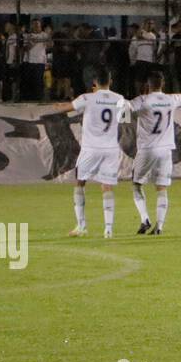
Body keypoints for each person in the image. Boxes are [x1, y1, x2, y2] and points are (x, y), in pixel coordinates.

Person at [59, 69, 128, 238]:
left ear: (94, 83)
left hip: (90, 148)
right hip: (110, 149)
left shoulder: (87, 98)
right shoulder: (120, 99)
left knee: (80, 182)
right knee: (107, 186)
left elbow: (66, 108)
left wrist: (53, 106)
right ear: (110, 81)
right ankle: (108, 229)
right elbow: (125, 120)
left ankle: (81, 226)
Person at [129, 70, 181, 236]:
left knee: (136, 184)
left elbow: (125, 108)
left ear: (148, 85)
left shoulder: (143, 100)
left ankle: (145, 219)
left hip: (147, 149)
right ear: (162, 84)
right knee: (161, 188)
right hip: (165, 150)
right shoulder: (170, 99)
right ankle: (159, 227)